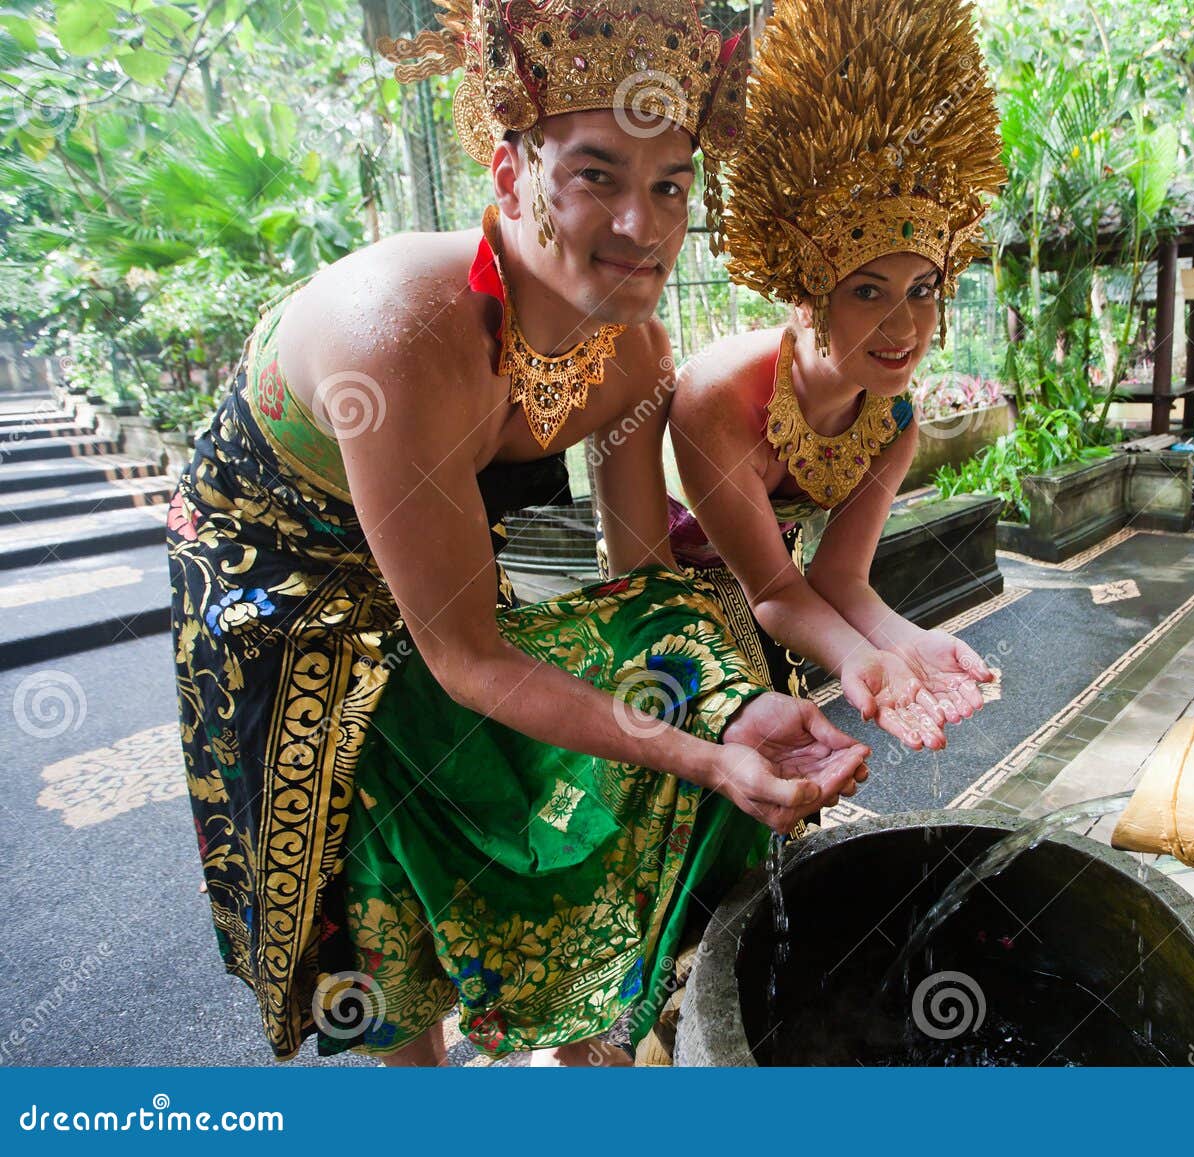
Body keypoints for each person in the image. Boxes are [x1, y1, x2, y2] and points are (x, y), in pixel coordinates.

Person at [169, 0, 867, 1068]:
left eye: (670, 185)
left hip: (444, 570)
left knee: (688, 633)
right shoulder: (395, 335)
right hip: (289, 582)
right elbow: (469, 656)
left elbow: (640, 593)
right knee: (377, 840)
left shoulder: (632, 353)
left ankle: (594, 1014)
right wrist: (702, 753)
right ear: (510, 179)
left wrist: (729, 706)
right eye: (597, 176)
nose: (643, 224)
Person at [667, 0, 1007, 754]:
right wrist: (856, 654)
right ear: (801, 291)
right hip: (658, 620)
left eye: (922, 289)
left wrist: (908, 642)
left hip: (775, 617)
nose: (906, 328)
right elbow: (775, 587)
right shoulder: (717, 397)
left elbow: (838, 579)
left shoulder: (894, 423)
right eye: (867, 291)